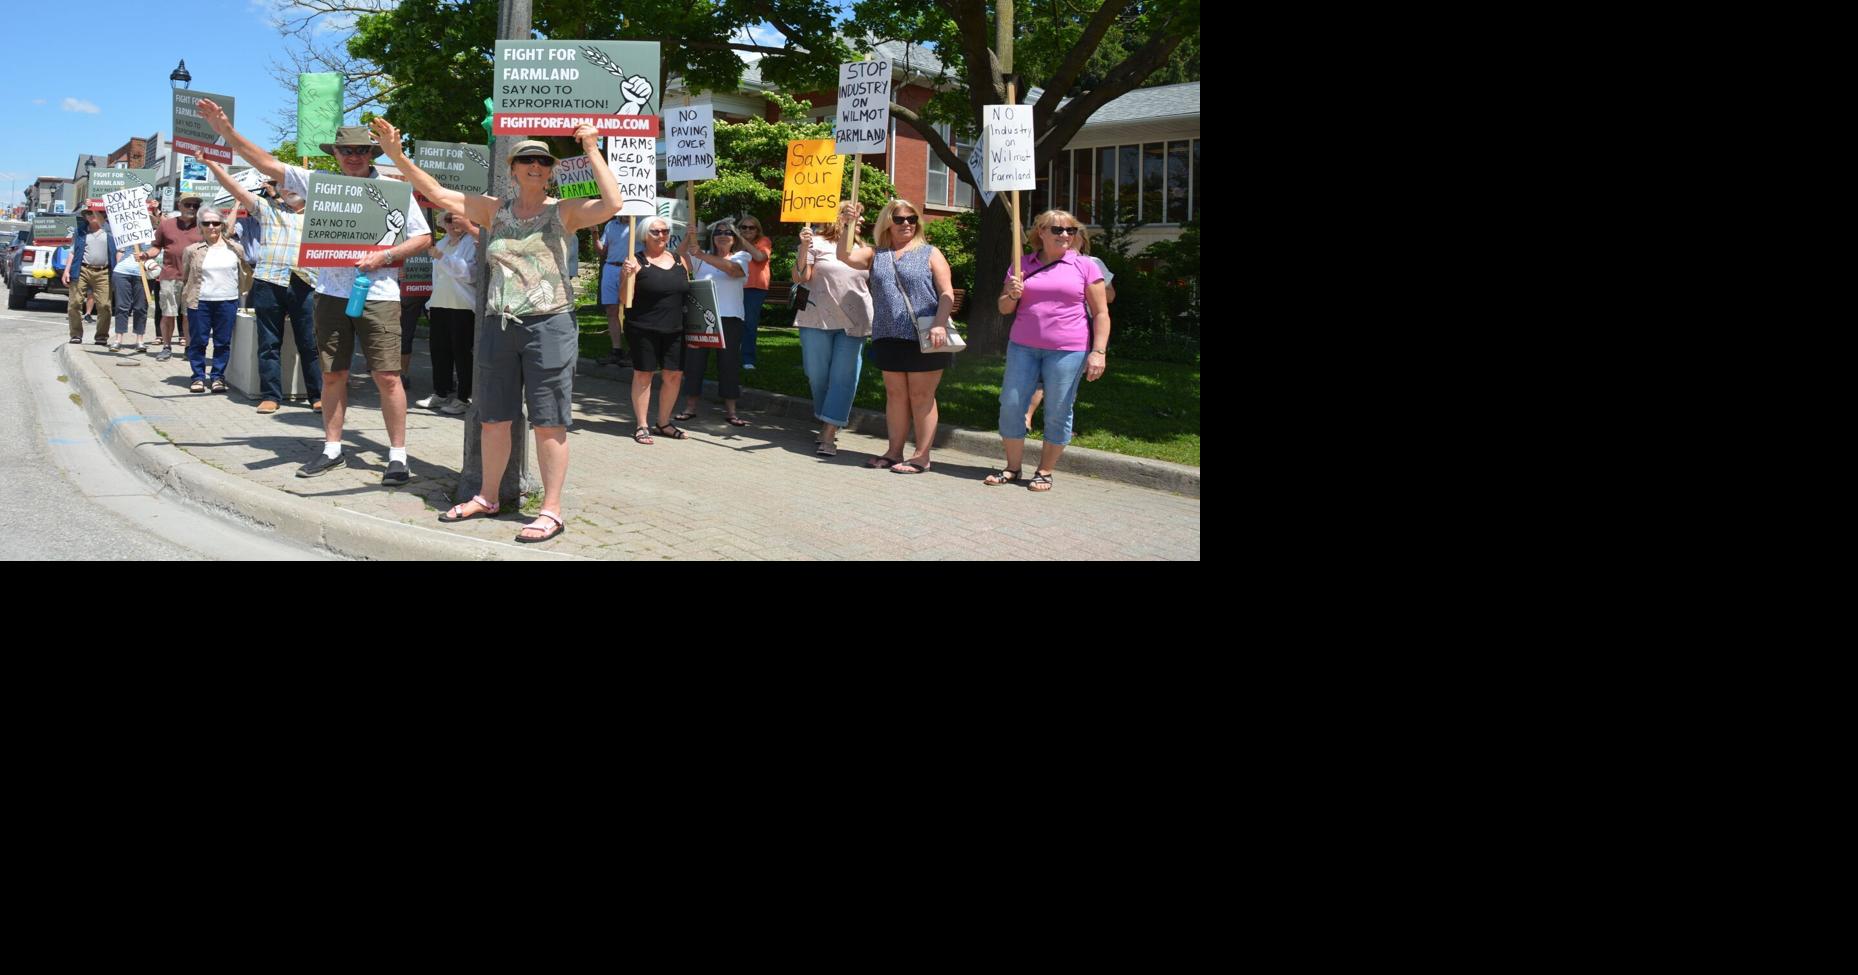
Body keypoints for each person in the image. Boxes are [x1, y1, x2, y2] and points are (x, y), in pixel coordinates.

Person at [378, 119, 622, 543]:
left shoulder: (563, 211)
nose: (534, 166)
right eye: (526, 160)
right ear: (513, 168)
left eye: (543, 161)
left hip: (549, 325)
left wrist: (591, 147)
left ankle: (551, 511)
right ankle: (487, 497)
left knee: (548, 422)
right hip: (498, 324)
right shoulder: (493, 210)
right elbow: (437, 193)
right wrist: (397, 156)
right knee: (493, 420)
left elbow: (613, 203)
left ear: (551, 169)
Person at [198, 102, 432, 484]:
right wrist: (226, 131)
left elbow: (423, 237)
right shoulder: (320, 185)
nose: (354, 156)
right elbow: (267, 164)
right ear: (335, 153)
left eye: (361, 150)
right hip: (330, 293)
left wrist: (385, 256)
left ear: (371, 153)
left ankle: (397, 457)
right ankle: (332, 449)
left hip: (379, 294)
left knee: (388, 376)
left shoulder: (393, 190)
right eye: (346, 150)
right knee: (333, 374)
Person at [986, 209, 1111, 493]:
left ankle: (1044, 471)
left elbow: (1101, 313)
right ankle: (1012, 467)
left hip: (1069, 350)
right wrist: (1012, 294)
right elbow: (1004, 308)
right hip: (1023, 347)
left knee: (1058, 409)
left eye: (1070, 230)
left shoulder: (1085, 266)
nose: (1065, 235)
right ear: (1041, 232)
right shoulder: (1022, 264)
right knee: (1011, 404)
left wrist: (1099, 352)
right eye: (1057, 229)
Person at [835, 198, 954, 473]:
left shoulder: (930, 252)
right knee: (895, 395)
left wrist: (939, 324)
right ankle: (894, 452)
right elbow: (845, 256)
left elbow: (947, 292)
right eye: (899, 219)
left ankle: (922, 456)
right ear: (887, 222)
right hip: (887, 334)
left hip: (925, 334)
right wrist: (848, 225)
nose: (906, 224)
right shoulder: (876, 253)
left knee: (922, 396)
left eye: (912, 219)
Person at [207, 159, 321, 415]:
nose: (287, 188)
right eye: (282, 184)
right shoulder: (267, 209)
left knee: (310, 343)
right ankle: (271, 395)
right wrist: (212, 165)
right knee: (269, 342)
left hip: (306, 283)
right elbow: (237, 190)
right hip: (269, 281)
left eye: (293, 184)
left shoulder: (320, 215)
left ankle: (317, 395)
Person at [1023, 223, 1116, 432]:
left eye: (1074, 235)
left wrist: (1084, 287)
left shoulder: (1092, 263)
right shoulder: (1045, 261)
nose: (1067, 238)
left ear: (1082, 241)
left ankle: (1057, 425)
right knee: (1040, 375)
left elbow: (1110, 296)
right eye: (1060, 232)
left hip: (1081, 326)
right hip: (1047, 327)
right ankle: (1026, 417)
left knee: (1065, 378)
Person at [792, 220, 872, 457]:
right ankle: (827, 415)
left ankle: (829, 430)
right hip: (816, 316)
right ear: (838, 219)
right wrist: (803, 248)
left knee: (844, 377)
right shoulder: (814, 242)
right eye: (854, 216)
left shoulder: (865, 249)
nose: (861, 221)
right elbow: (800, 277)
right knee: (816, 374)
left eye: (861, 217)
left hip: (855, 320)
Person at [618, 215, 691, 444]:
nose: (661, 235)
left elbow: (689, 293)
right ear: (644, 235)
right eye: (656, 231)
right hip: (643, 328)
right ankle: (642, 425)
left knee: (673, 375)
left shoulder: (680, 260)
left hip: (676, 329)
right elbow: (624, 299)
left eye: (665, 231)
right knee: (644, 374)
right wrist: (626, 276)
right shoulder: (635, 261)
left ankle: (663, 422)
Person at [675, 218, 753, 427]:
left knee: (728, 364)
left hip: (730, 318)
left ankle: (731, 411)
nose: (722, 235)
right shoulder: (700, 257)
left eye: (728, 232)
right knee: (694, 363)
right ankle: (690, 407)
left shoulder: (741, 256)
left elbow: (733, 271)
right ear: (712, 237)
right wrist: (688, 236)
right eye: (718, 232)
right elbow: (679, 257)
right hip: (701, 317)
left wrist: (701, 254)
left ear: (735, 237)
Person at [417, 210, 478, 415]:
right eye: (449, 220)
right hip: (440, 304)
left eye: (458, 220)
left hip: (463, 305)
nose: (453, 225)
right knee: (439, 351)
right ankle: (440, 392)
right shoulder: (442, 243)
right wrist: (431, 303)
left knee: (462, 353)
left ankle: (464, 397)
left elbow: (469, 274)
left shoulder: (472, 242)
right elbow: (437, 277)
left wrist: (443, 258)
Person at [178, 206, 243, 394]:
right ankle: (198, 377)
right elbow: (186, 276)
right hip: (200, 301)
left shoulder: (236, 248)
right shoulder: (192, 250)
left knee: (222, 342)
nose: (212, 227)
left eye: (216, 223)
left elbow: (243, 273)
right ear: (200, 226)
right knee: (198, 341)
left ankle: (217, 377)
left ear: (222, 224)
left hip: (227, 300)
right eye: (207, 223)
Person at [142, 193, 203, 361]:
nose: (192, 208)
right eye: (188, 204)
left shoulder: (204, 225)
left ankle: (189, 348)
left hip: (195, 279)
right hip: (170, 276)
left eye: (195, 205)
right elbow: (156, 247)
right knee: (168, 314)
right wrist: (146, 255)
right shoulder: (166, 225)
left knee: (189, 315)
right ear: (179, 205)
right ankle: (166, 347)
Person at [65, 208, 113, 346]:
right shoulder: (80, 231)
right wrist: (67, 271)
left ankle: (101, 336)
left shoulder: (109, 231)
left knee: (104, 305)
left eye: (94, 213)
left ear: (102, 215)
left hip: (103, 271)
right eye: (88, 213)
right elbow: (72, 252)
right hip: (82, 269)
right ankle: (75, 334)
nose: (91, 216)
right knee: (74, 303)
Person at [734, 215, 770, 370]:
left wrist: (742, 240)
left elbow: (760, 257)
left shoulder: (764, 241)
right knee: (733, 322)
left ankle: (748, 359)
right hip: (734, 286)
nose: (747, 230)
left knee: (749, 322)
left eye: (751, 227)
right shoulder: (733, 243)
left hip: (755, 288)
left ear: (757, 229)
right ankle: (731, 355)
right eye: (744, 227)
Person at [594, 215, 631, 366]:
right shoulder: (611, 225)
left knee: (631, 311)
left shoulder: (640, 223)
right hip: (610, 267)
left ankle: (634, 351)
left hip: (630, 269)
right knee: (611, 310)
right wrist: (594, 232)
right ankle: (616, 350)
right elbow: (601, 251)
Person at [108, 232, 151, 354]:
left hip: (142, 274)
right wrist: (119, 266)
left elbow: (155, 253)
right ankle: (118, 339)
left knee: (141, 307)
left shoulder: (151, 234)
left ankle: (139, 340)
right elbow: (120, 252)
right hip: (122, 272)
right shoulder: (127, 232)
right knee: (121, 306)